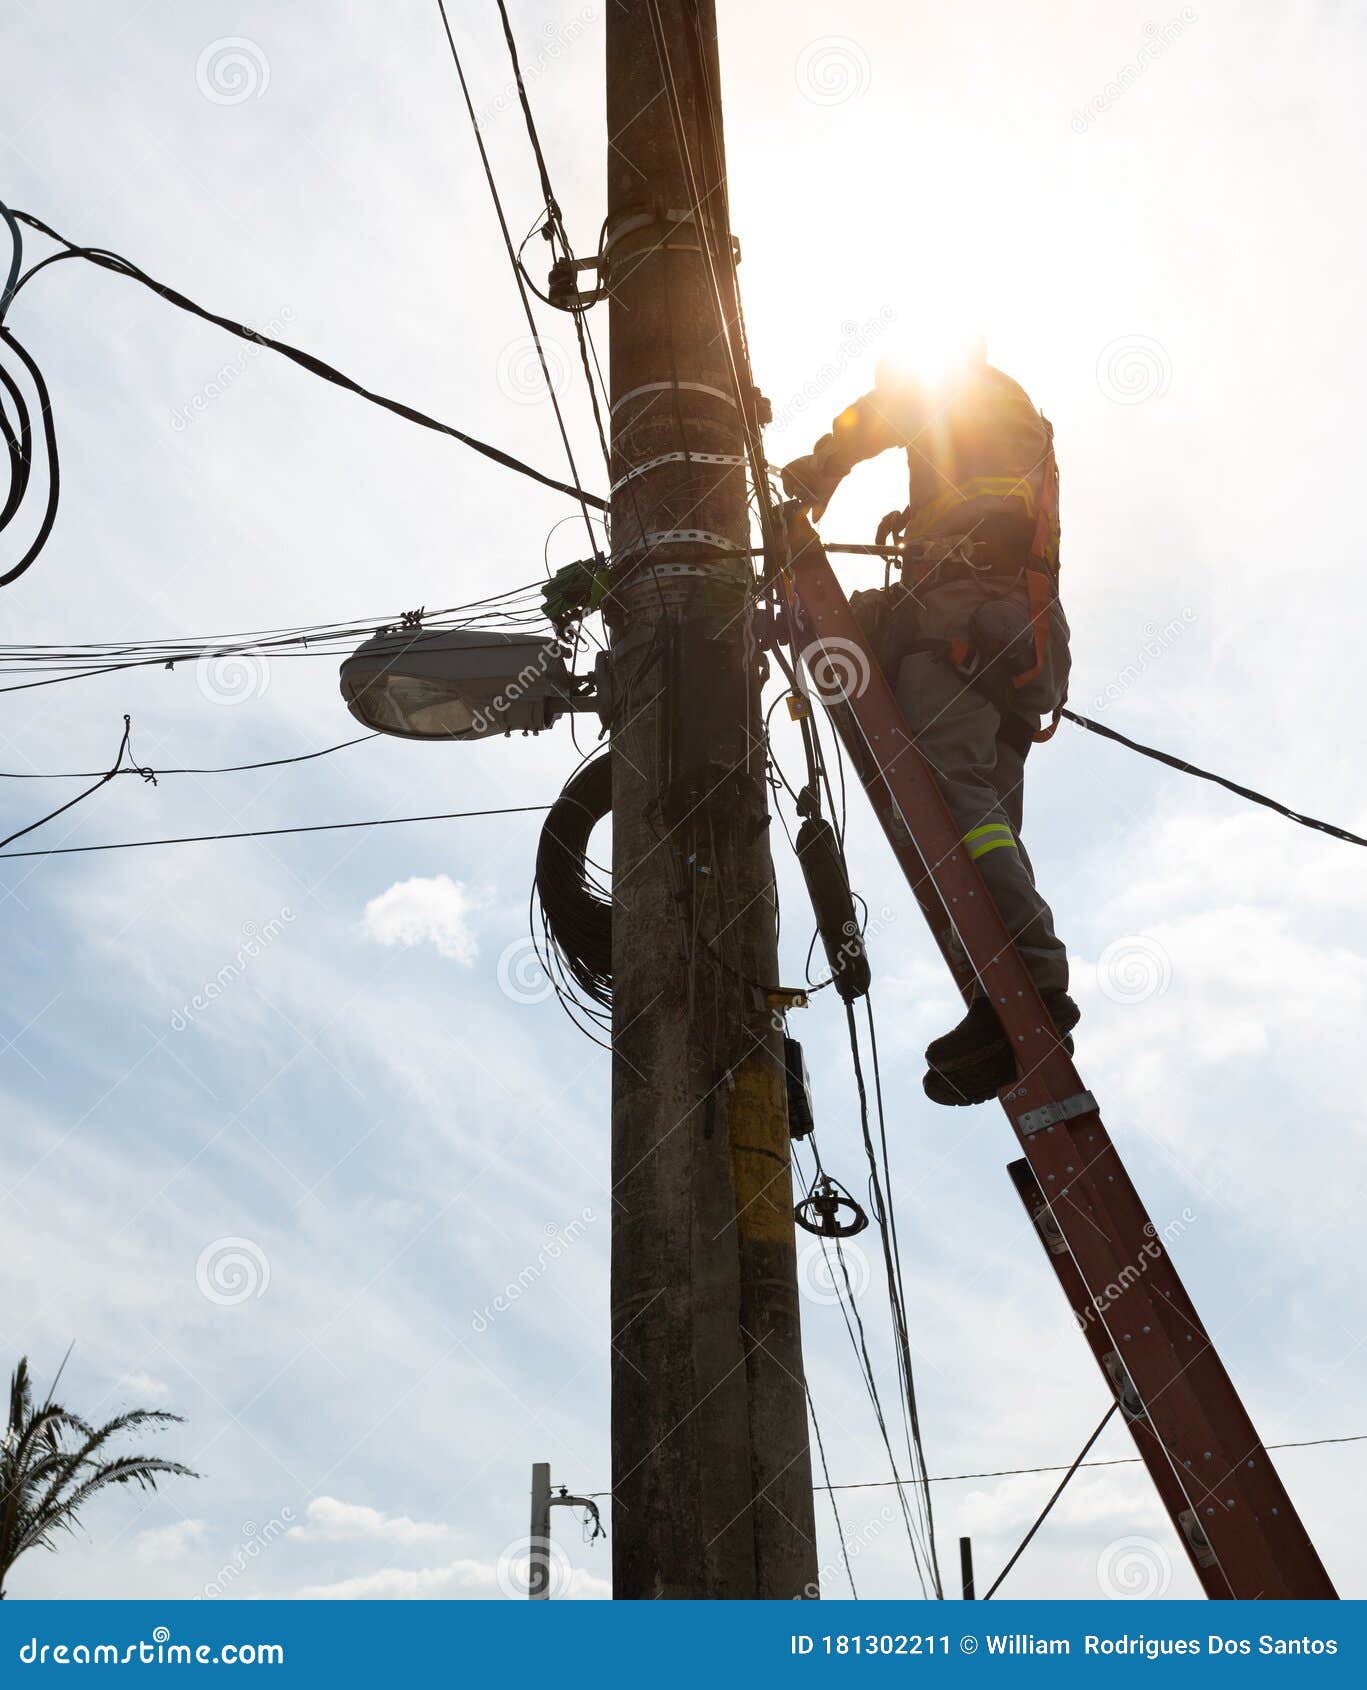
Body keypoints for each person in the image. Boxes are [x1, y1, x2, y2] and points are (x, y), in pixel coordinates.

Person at [782, 344, 1079, 1105]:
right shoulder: (1001, 424)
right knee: (981, 821)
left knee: (950, 807)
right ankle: (1002, 994)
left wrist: (816, 474)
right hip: (1008, 640)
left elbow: (879, 417)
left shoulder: (960, 391)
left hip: (964, 623)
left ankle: (1028, 982)